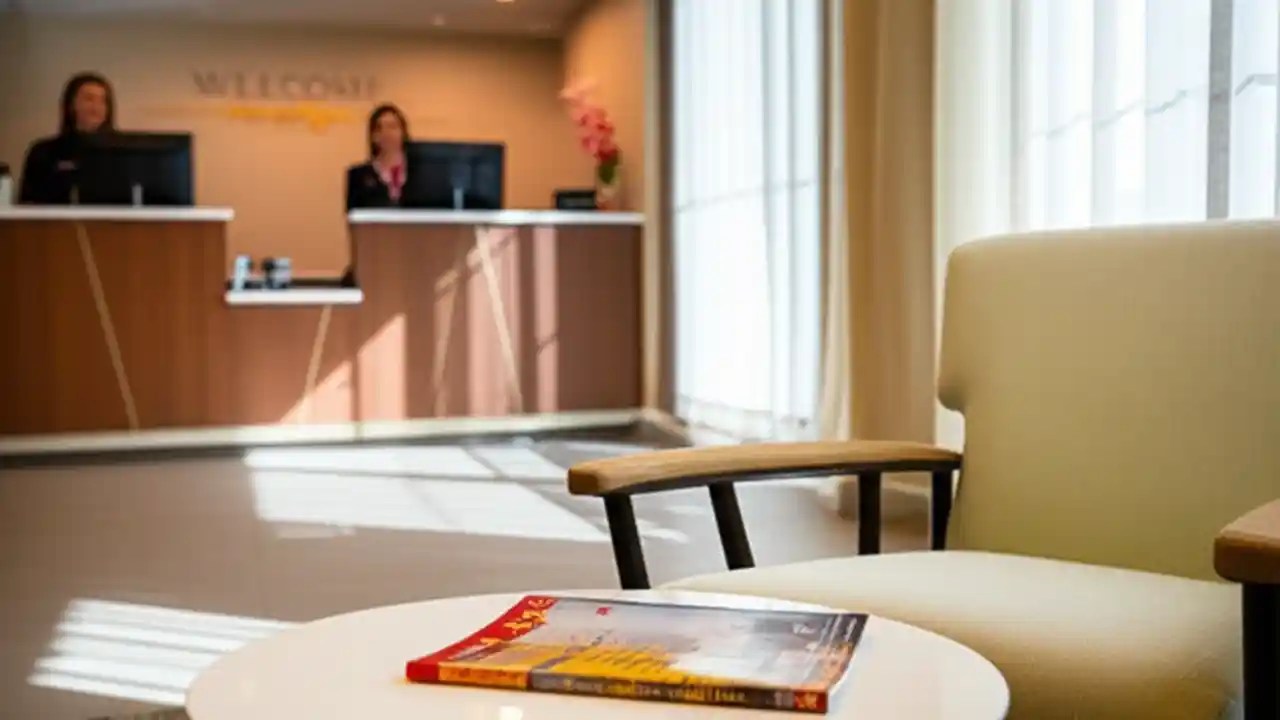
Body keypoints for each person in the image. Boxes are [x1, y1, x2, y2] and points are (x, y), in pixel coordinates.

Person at [19, 72, 117, 204]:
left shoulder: (120, 151)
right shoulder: (43, 151)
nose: (96, 107)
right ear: (71, 105)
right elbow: (27, 204)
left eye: (103, 101)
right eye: (89, 99)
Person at [346, 104, 415, 210]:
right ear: (373, 136)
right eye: (379, 128)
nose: (386, 133)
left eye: (392, 126)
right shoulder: (358, 175)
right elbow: (354, 218)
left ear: (403, 132)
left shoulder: (419, 173)